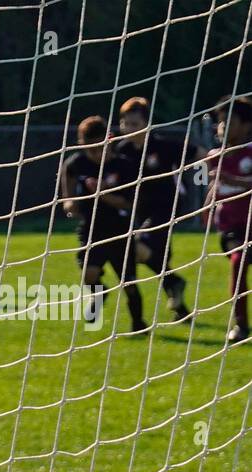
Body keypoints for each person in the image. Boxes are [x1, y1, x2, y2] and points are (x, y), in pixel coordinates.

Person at [61, 115, 145, 333]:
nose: (96, 155)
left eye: (100, 148)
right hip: (91, 229)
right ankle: (100, 293)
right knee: (89, 274)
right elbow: (67, 187)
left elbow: (128, 203)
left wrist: (103, 192)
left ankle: (139, 324)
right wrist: (70, 203)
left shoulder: (124, 166)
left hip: (120, 231)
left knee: (129, 284)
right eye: (91, 150)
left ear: (109, 140)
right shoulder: (76, 163)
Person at [114, 97, 195, 323]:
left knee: (137, 247)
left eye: (135, 124)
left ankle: (173, 284)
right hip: (141, 212)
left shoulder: (161, 146)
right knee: (157, 258)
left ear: (146, 124)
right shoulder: (122, 151)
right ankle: (179, 304)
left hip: (166, 209)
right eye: (125, 124)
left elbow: (198, 152)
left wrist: (213, 167)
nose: (129, 129)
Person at [204, 97, 252, 343]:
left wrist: (235, 182)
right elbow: (213, 183)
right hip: (230, 227)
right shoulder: (214, 155)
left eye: (228, 121)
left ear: (246, 125)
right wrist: (205, 208)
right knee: (238, 260)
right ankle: (241, 325)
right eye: (220, 122)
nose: (221, 126)